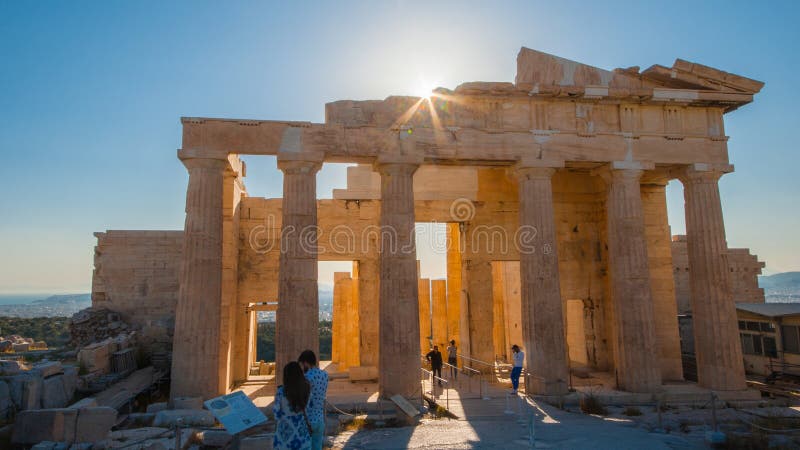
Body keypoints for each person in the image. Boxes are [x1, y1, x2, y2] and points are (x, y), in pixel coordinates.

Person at [273, 361, 312, 450]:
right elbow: (309, 409)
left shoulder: (281, 392)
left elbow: (276, 414)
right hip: (302, 435)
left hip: (285, 437)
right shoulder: (307, 389)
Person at [298, 350, 328, 450]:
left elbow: (304, 399)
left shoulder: (307, 377)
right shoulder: (325, 375)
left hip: (308, 420)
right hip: (320, 419)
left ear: (306, 362)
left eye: (302, 364)